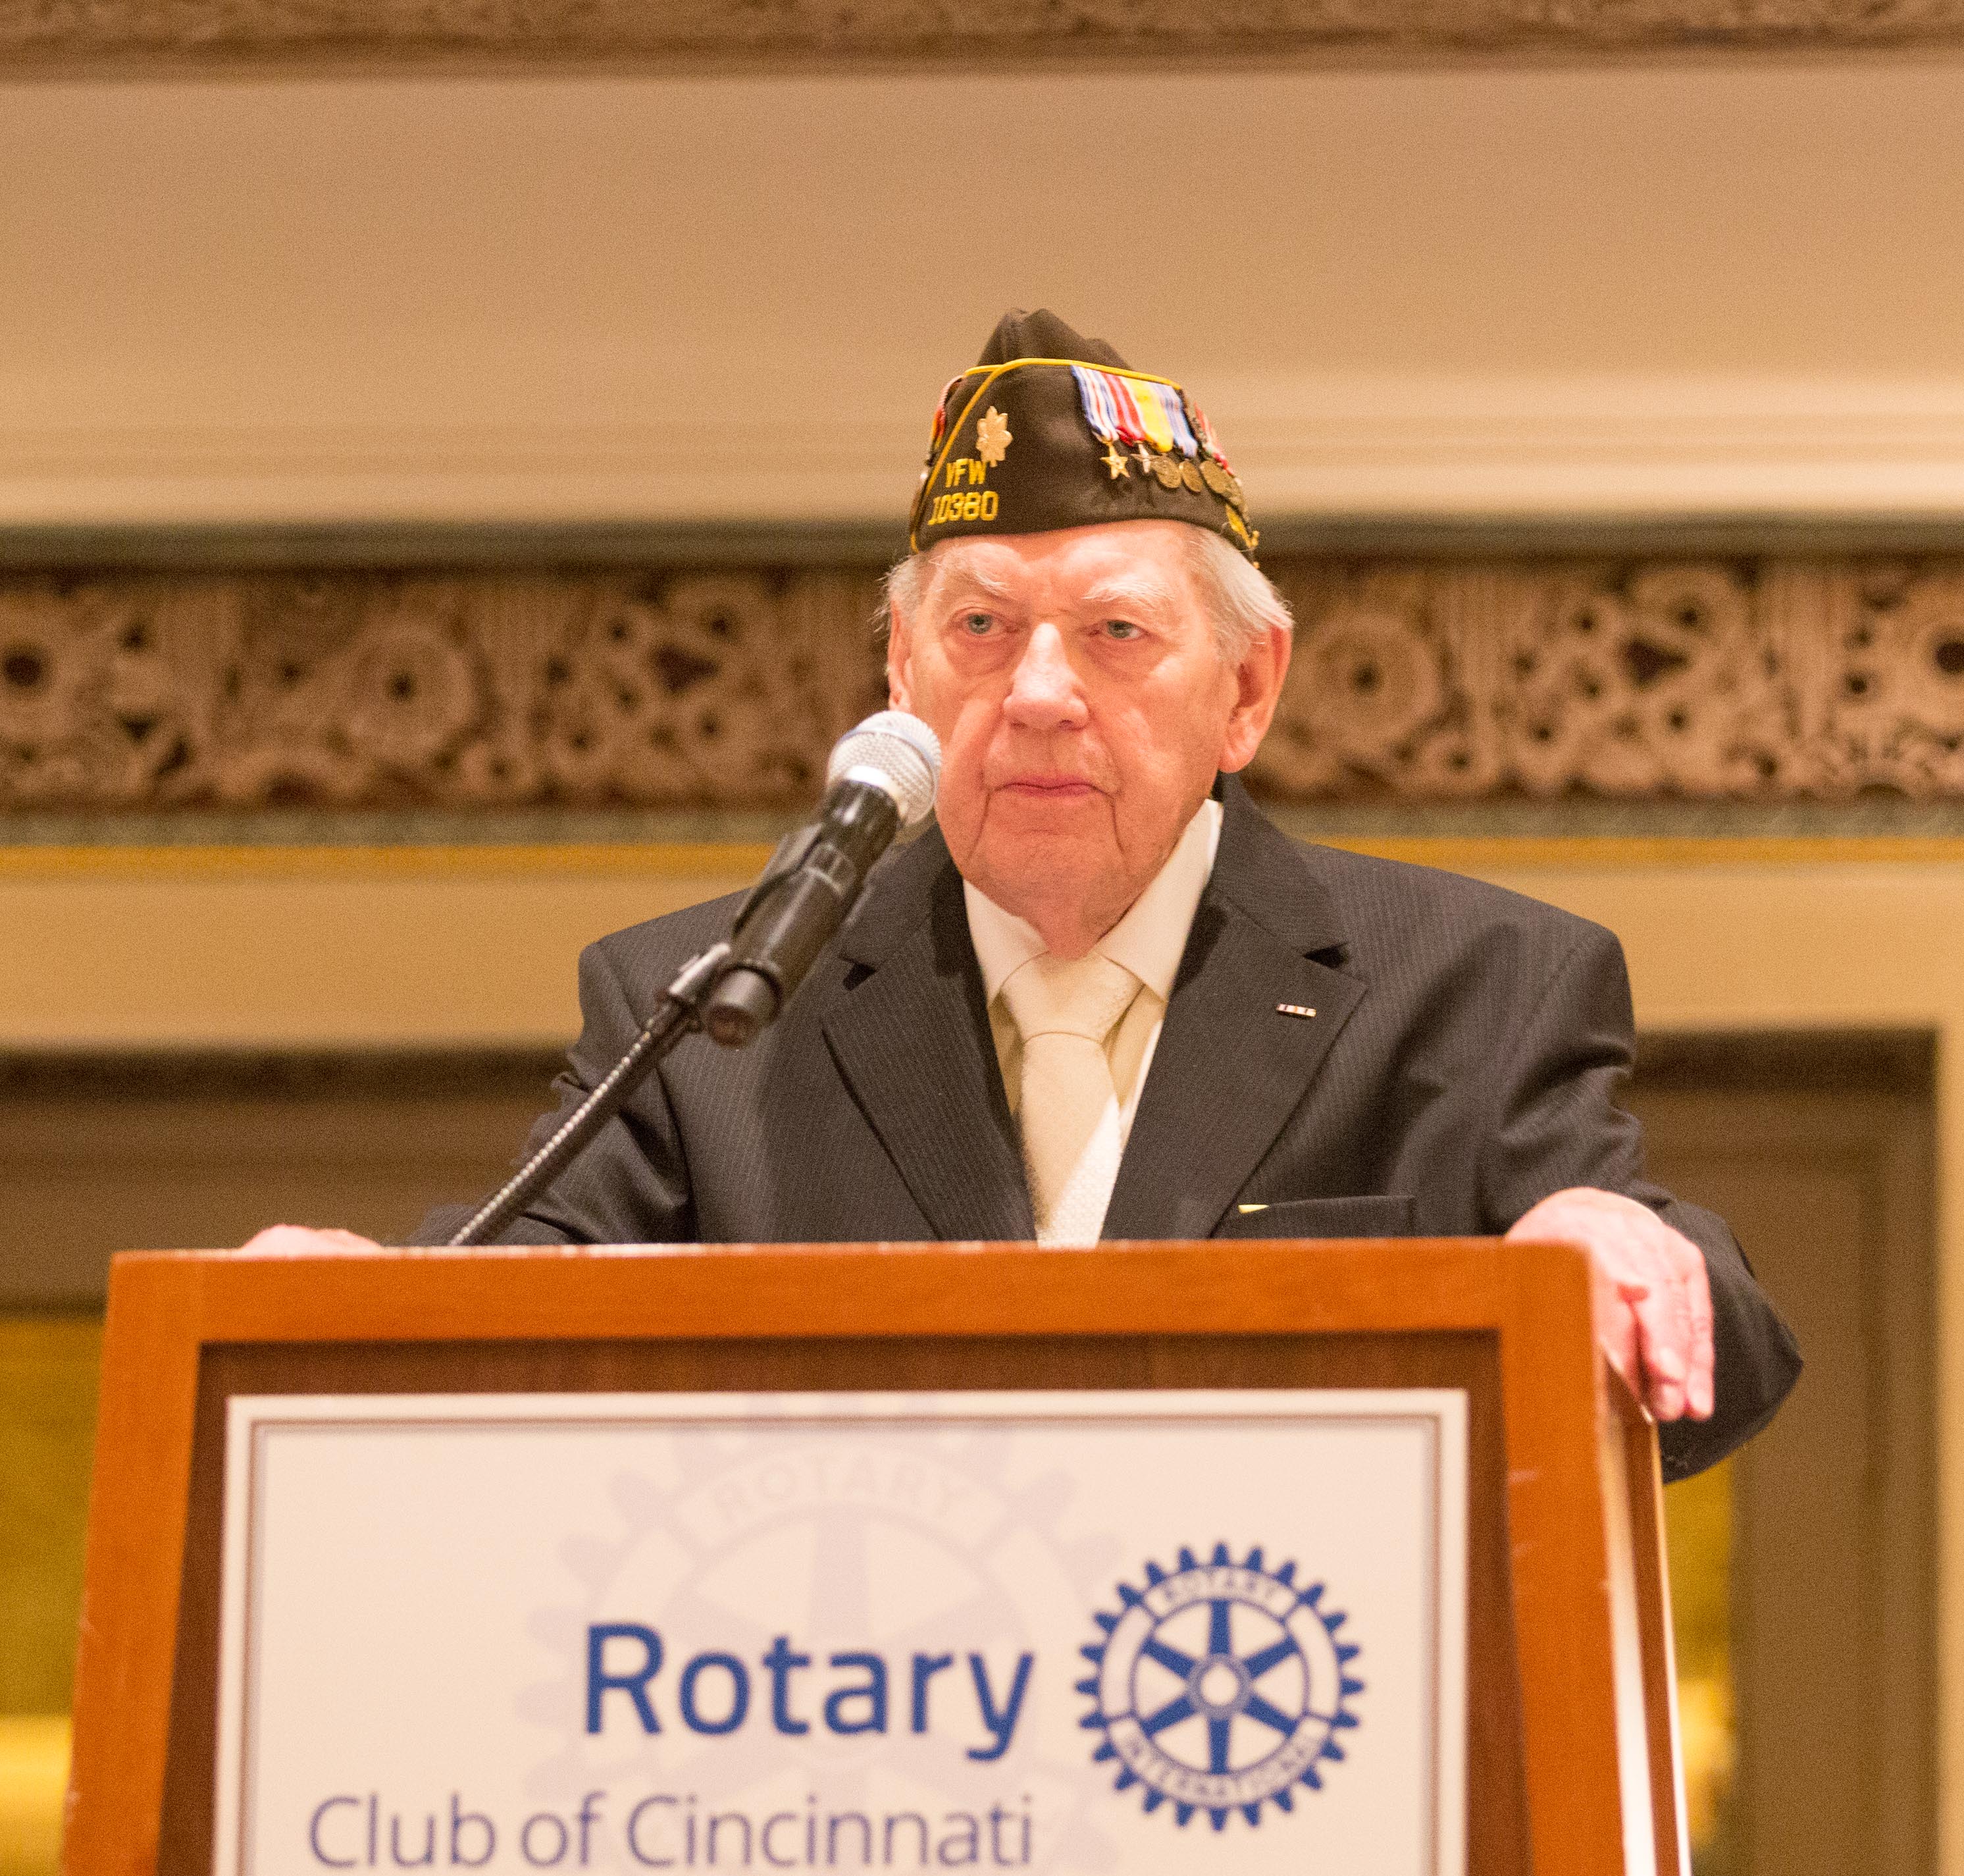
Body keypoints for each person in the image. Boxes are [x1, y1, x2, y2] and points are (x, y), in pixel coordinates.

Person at [250, 309, 1799, 1479]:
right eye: (982, 628)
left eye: (1114, 634)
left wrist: (1613, 1239)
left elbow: (1713, 1357)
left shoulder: (1465, 985)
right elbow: (514, 1312)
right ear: (902, 674)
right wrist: (366, 1303)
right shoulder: (722, 1005)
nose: (1040, 691)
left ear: (1246, 690)